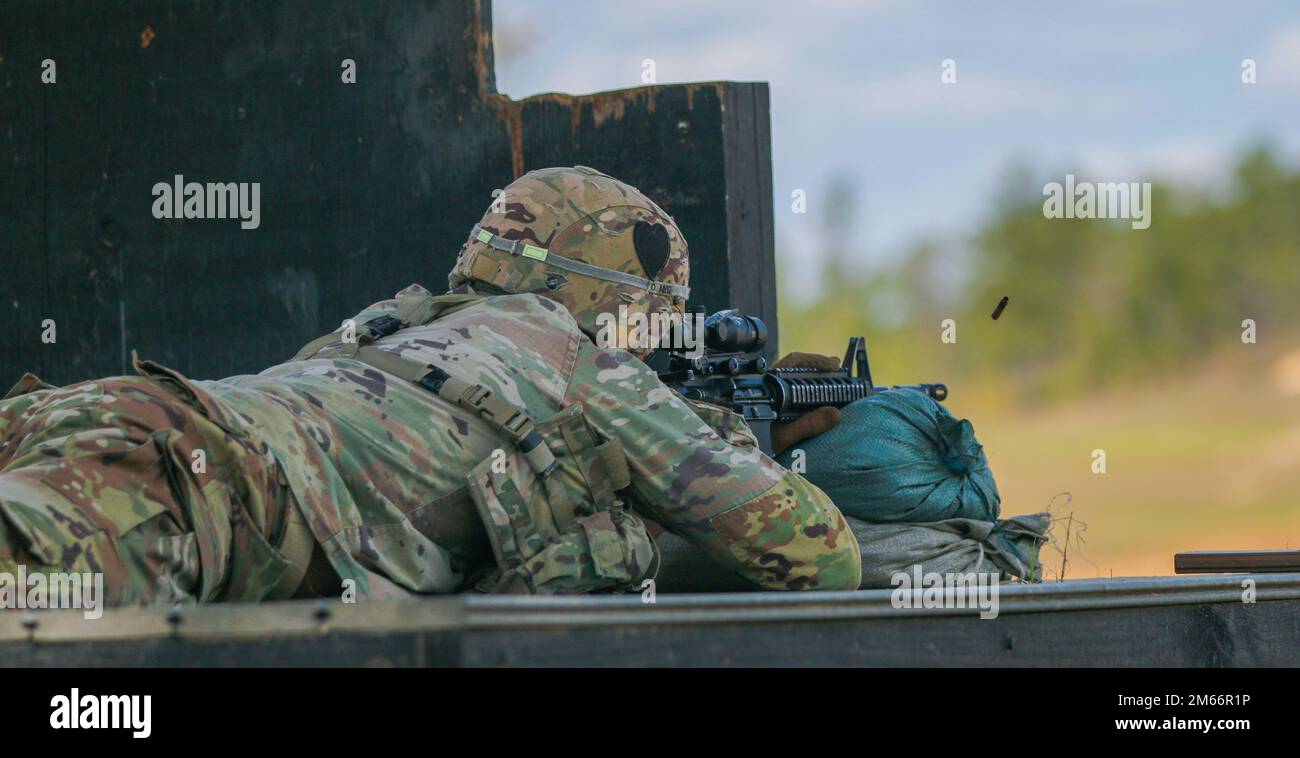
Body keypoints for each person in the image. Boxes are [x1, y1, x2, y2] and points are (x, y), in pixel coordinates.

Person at [0, 166, 860, 606]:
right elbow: (821, 561)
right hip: (177, 489)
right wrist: (733, 448)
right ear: (616, 304)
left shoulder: (389, 325)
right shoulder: (574, 357)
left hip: (91, 417)